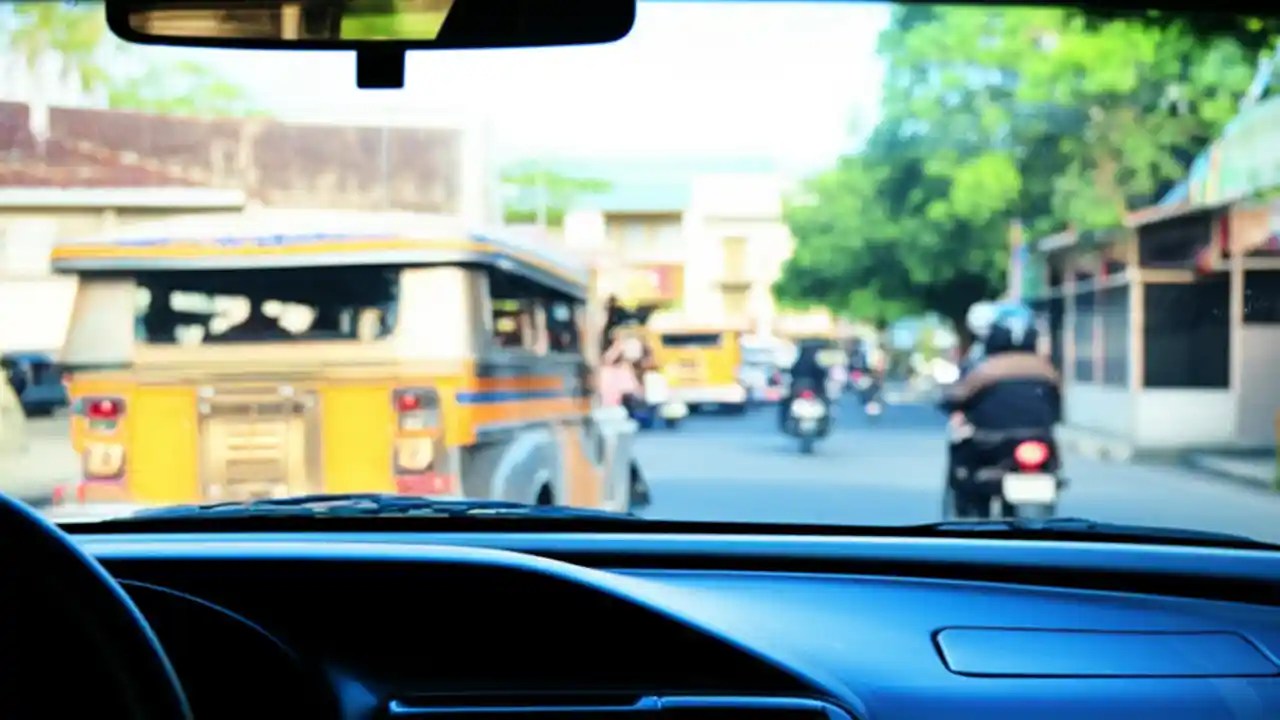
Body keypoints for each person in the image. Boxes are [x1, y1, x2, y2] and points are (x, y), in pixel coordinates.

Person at [941, 302, 1061, 483]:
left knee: (963, 461)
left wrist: (949, 403)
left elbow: (959, 396)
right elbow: (1057, 402)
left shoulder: (987, 370)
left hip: (991, 441)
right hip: (1040, 435)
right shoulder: (1047, 370)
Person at [778, 341, 831, 430]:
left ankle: (784, 422)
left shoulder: (799, 363)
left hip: (810, 391)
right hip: (804, 391)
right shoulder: (811, 364)